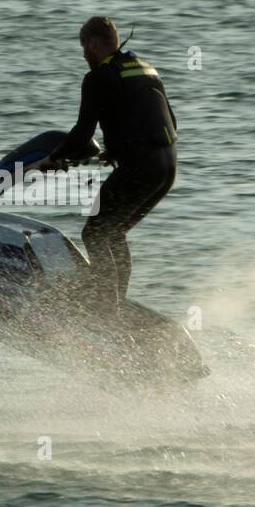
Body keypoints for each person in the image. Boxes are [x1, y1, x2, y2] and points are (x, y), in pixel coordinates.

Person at [41, 16, 178, 309]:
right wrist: (116, 149)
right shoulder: (144, 68)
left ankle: (103, 304)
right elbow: (162, 120)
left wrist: (55, 158)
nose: (83, 55)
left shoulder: (98, 77)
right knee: (113, 231)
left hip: (140, 167)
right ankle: (116, 302)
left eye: (83, 48)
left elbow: (82, 133)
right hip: (166, 168)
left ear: (92, 43)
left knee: (94, 231)